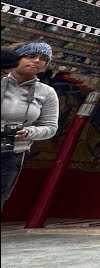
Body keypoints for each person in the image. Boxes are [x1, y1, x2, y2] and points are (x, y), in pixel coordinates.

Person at [1, 41, 59, 209]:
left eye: (42, 59)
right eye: (31, 56)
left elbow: (50, 127)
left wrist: (28, 132)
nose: (36, 61)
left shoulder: (46, 93)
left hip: (12, 152)